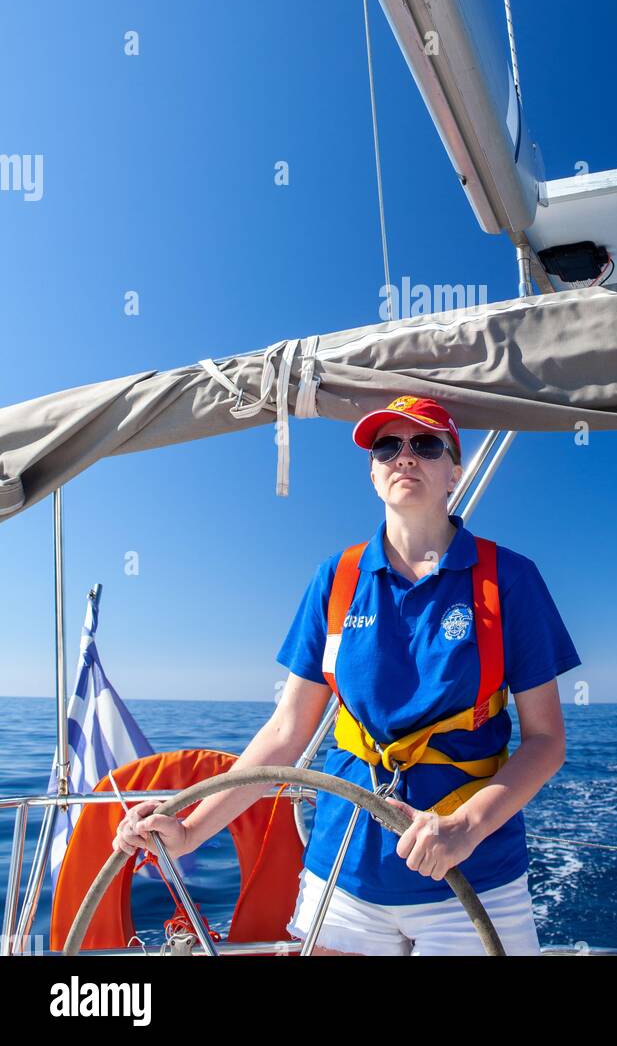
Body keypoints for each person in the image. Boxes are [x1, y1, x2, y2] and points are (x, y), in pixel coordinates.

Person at [113, 394, 581, 956]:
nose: (405, 457)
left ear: (454, 472)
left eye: (426, 445)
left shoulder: (508, 579)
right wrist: (189, 827)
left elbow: (547, 741)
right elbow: (287, 733)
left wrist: (466, 826)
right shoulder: (336, 579)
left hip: (474, 874)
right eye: (388, 447)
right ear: (373, 473)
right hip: (343, 876)